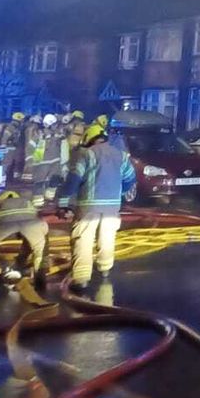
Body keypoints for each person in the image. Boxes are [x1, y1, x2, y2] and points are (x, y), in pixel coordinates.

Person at [58, 122, 135, 292]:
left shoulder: (86, 155)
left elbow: (73, 181)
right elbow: (130, 179)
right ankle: (105, 269)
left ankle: (82, 278)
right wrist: (119, 193)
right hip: (112, 209)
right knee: (107, 238)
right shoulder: (121, 155)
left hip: (88, 207)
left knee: (83, 240)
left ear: (89, 139)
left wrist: (63, 203)